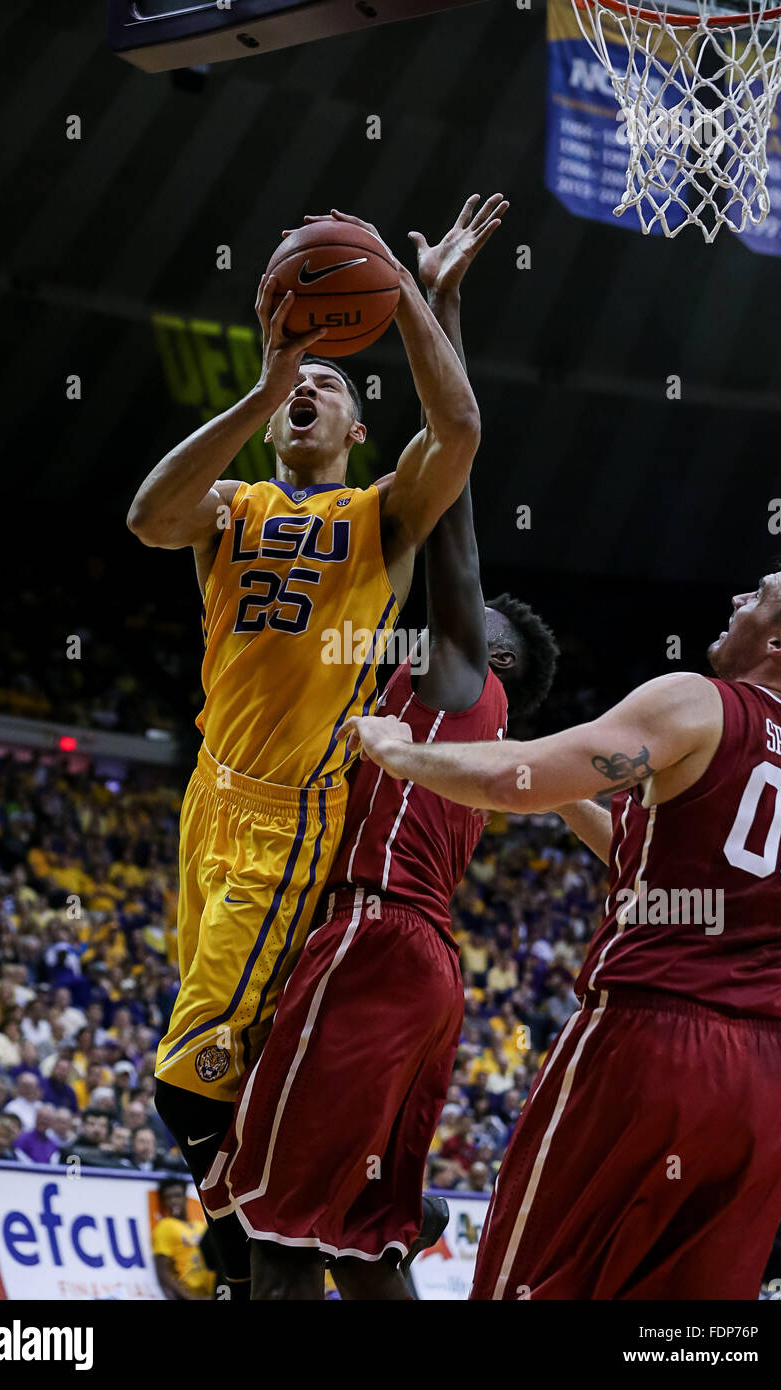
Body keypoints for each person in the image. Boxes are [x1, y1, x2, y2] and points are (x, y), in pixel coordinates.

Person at [201, 197, 558, 1300]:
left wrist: (431, 298)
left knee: (271, 1242)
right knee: (366, 1247)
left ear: (492, 654)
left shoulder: (464, 675)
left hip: (366, 937)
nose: (456, 614)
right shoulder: (451, 713)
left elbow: (453, 520)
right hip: (422, 970)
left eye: (473, 616)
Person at [127, 211, 480, 1250]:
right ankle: (282, 1251)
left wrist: (411, 294)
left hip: (293, 817)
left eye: (331, 385)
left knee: (185, 1083)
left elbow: (456, 431)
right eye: (302, 386)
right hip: (208, 795)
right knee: (222, 1077)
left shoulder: (380, 515)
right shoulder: (229, 505)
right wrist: (260, 386)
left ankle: (260, 1248)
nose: (311, 390)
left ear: (357, 430)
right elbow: (149, 517)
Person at [344, 557, 781, 1300]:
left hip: (652, 1043)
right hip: (771, 1081)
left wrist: (396, 750)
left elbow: (508, 780)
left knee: (533, 1282)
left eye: (759, 594)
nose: (737, 596)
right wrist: (570, 799)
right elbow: (646, 856)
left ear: (780, 641)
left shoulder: (700, 702)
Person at [151, 1178, 215, 1301]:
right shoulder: (165, 1226)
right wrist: (188, 1297)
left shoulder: (201, 1226)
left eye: (177, 1196)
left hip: (214, 1291)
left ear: (185, 1198)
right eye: (168, 1197)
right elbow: (163, 1272)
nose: (173, 1201)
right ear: (163, 1202)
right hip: (191, 1293)